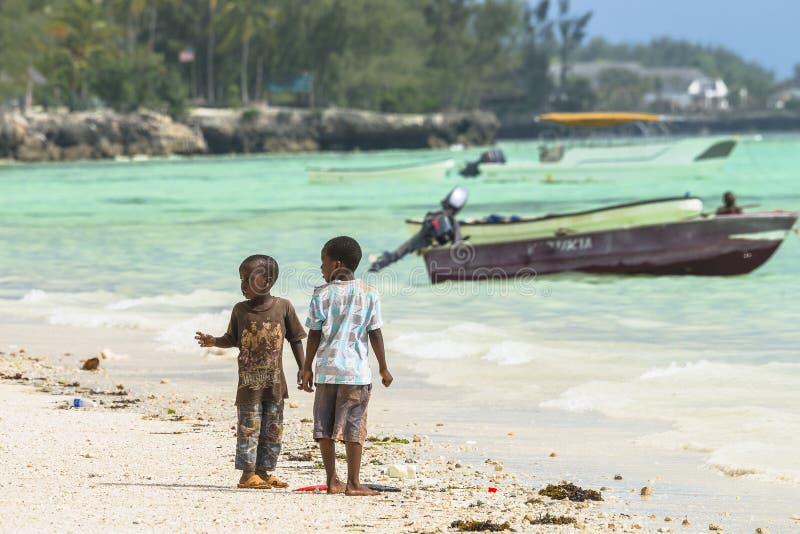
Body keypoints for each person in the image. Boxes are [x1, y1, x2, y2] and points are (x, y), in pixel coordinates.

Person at [195, 255, 306, 489]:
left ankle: (264, 472)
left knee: (273, 430)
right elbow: (231, 339)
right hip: (249, 386)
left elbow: (295, 339)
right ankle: (247, 474)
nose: (243, 284)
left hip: (275, 384)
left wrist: (304, 368)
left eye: (248, 278)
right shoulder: (240, 310)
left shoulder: (283, 306)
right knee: (249, 428)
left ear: (267, 280)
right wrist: (213, 341)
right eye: (241, 279)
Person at [301, 236, 393, 496]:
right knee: (354, 427)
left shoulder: (321, 294)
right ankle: (354, 483)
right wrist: (383, 367)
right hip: (355, 373)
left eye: (323, 262)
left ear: (337, 264)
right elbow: (375, 333)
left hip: (327, 373)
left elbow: (314, 334)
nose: (321, 268)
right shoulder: (369, 293)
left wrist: (307, 367)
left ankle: (332, 480)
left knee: (325, 426)